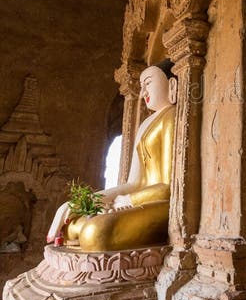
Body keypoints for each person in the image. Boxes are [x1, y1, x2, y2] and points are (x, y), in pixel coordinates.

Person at [46, 60, 176, 251]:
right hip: (138, 200)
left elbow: (168, 188)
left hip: (160, 205)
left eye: (148, 83)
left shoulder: (172, 116)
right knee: (73, 225)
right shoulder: (144, 126)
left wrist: (130, 201)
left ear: (171, 85)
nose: (143, 93)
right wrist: (84, 202)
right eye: (141, 87)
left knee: (95, 233)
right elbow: (133, 183)